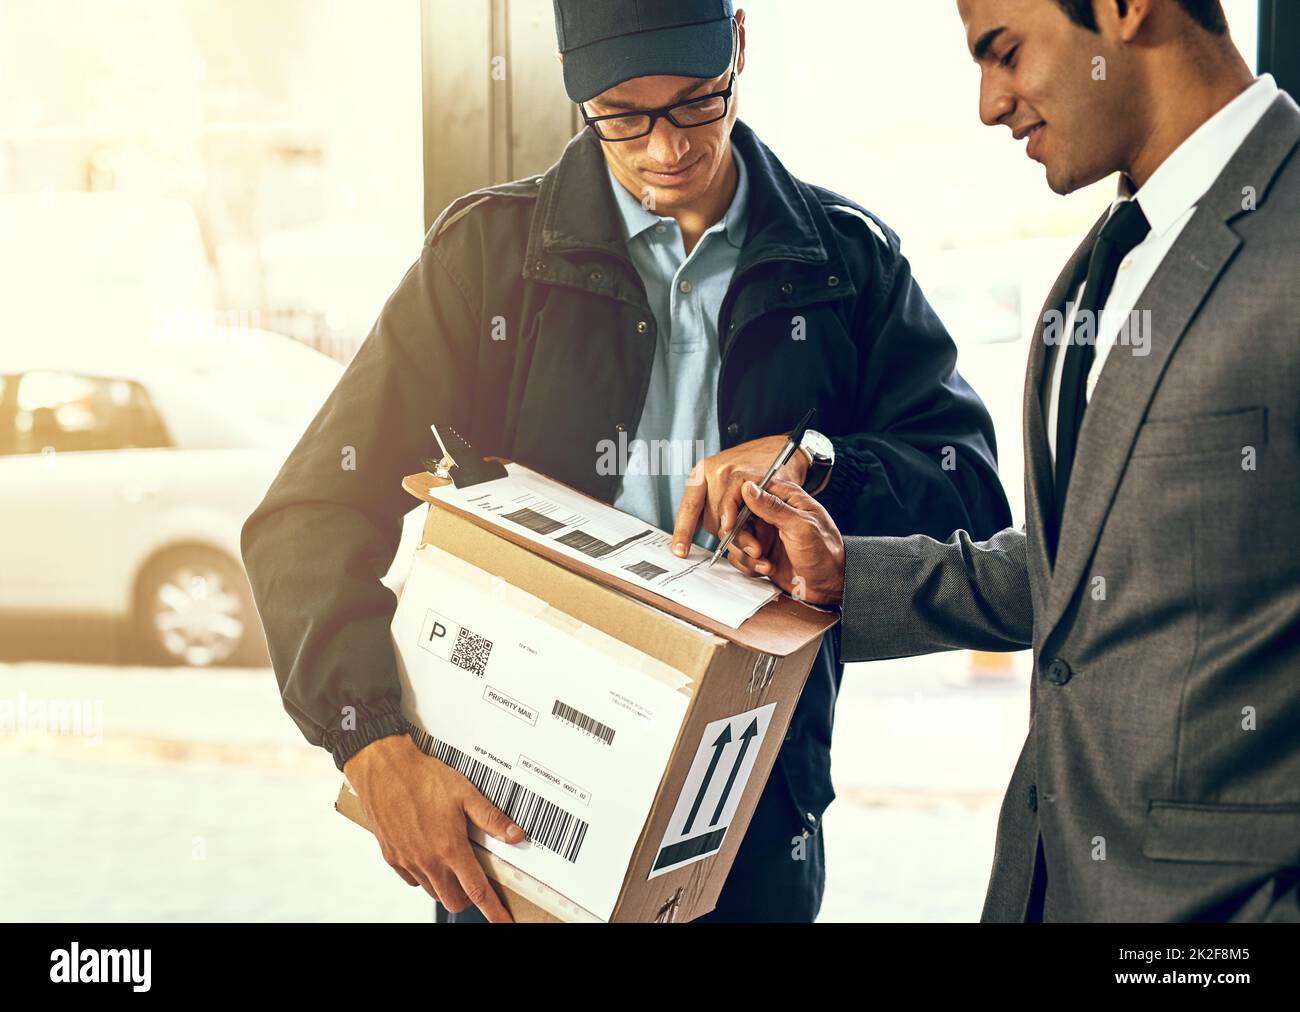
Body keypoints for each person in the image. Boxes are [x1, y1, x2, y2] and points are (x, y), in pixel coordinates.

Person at [241, 0, 1011, 923]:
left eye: (695, 103)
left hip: (750, 822)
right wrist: (371, 743)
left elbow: (968, 488)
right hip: (514, 815)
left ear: (737, 43)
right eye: (621, 115)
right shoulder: (487, 260)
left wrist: (822, 464)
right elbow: (309, 513)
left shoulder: (846, 265)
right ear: (575, 89)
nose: (666, 149)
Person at [728, 0, 1300, 922]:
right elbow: (1075, 578)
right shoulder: (1099, 270)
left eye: (1004, 52)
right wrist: (844, 577)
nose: (990, 105)